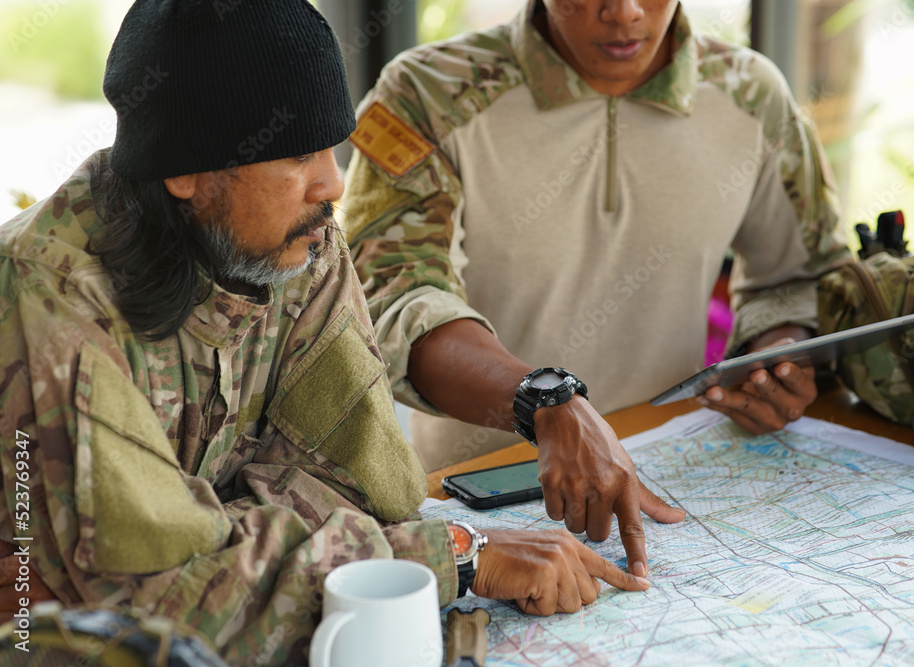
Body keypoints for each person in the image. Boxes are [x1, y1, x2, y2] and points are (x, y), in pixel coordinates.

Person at [0, 2, 653, 664]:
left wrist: (214, 540)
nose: (333, 182)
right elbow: (166, 610)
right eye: (297, 153)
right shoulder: (54, 297)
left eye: (331, 144)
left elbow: (375, 494)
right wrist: (454, 557)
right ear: (185, 172)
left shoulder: (297, 237)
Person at [341, 0, 852, 577]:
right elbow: (387, 299)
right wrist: (543, 403)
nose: (625, 13)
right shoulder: (428, 93)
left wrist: (772, 359)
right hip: (486, 504)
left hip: (682, 489)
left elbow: (801, 274)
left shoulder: (751, 92)